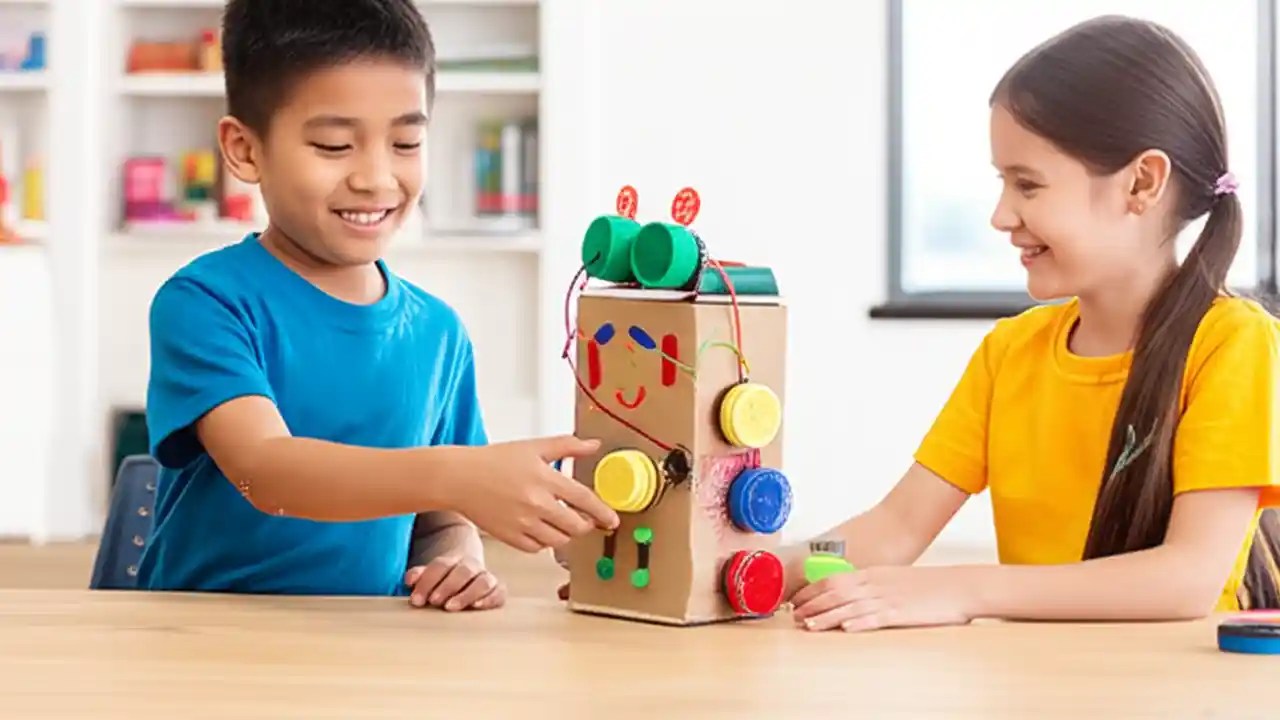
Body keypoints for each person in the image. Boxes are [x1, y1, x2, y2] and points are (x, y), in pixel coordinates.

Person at [787, 15, 1280, 632]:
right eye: (1003, 182)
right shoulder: (1009, 351)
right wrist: (732, 576)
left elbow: (1185, 580)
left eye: (1028, 184)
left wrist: (963, 589)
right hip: (1040, 683)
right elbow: (894, 527)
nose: (1000, 215)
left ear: (1141, 182)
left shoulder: (1234, 342)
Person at [135, 0, 619, 610]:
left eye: (406, 141)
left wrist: (457, 560)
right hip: (201, 644)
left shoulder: (438, 333)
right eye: (335, 145)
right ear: (245, 149)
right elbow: (265, 470)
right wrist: (460, 475)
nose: (376, 177)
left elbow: (442, 522)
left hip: (365, 649)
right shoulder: (206, 302)